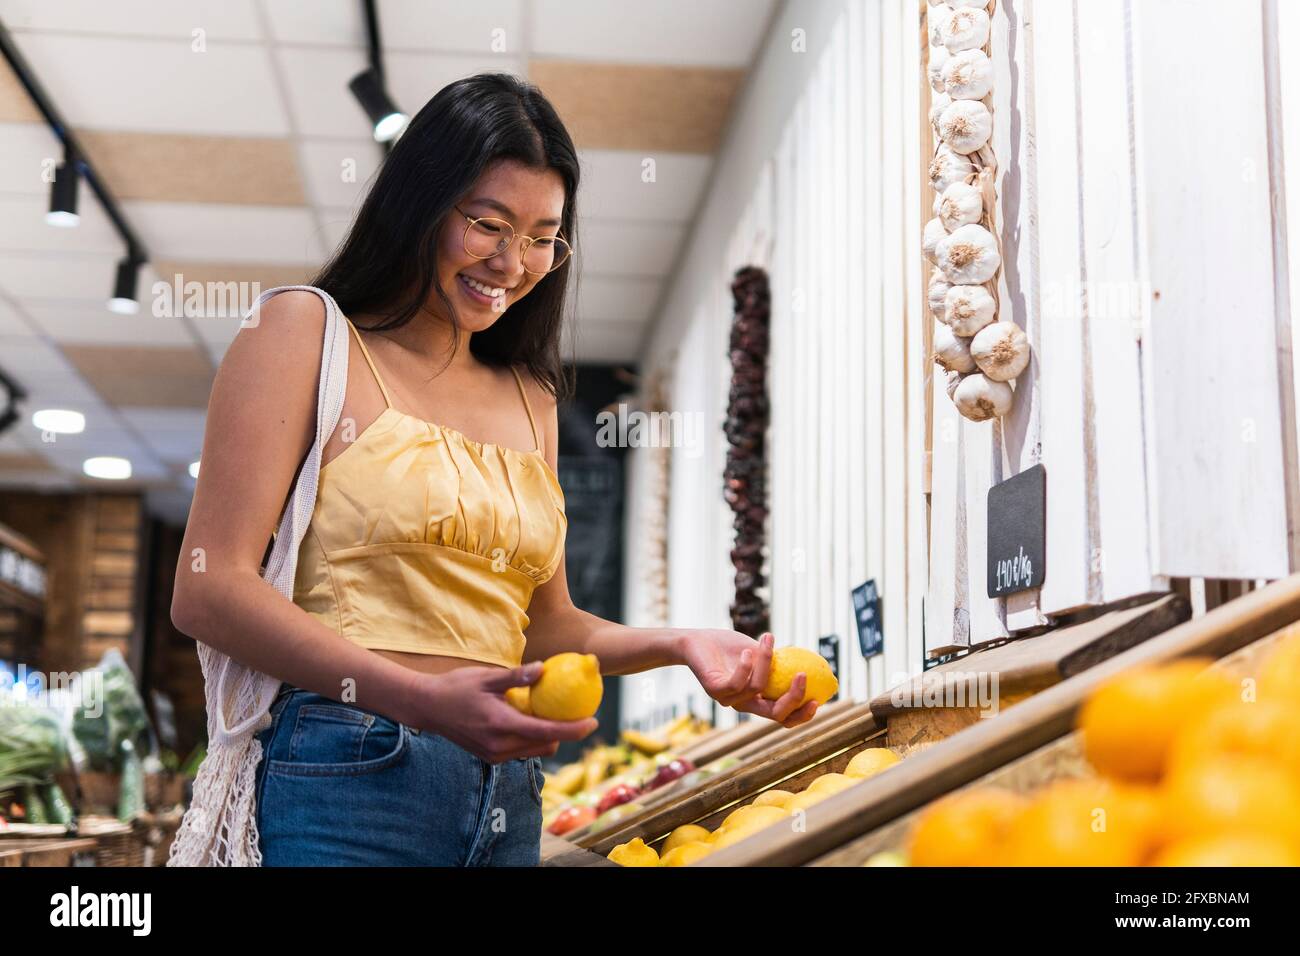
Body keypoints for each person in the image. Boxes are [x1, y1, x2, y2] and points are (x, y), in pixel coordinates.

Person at [171, 73, 817, 867]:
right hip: (348, 771)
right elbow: (208, 587)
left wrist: (684, 643)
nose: (514, 264)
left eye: (544, 236)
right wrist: (420, 701)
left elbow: (544, 628)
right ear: (420, 205)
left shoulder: (529, 396)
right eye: (489, 225)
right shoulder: (303, 332)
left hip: (508, 791)